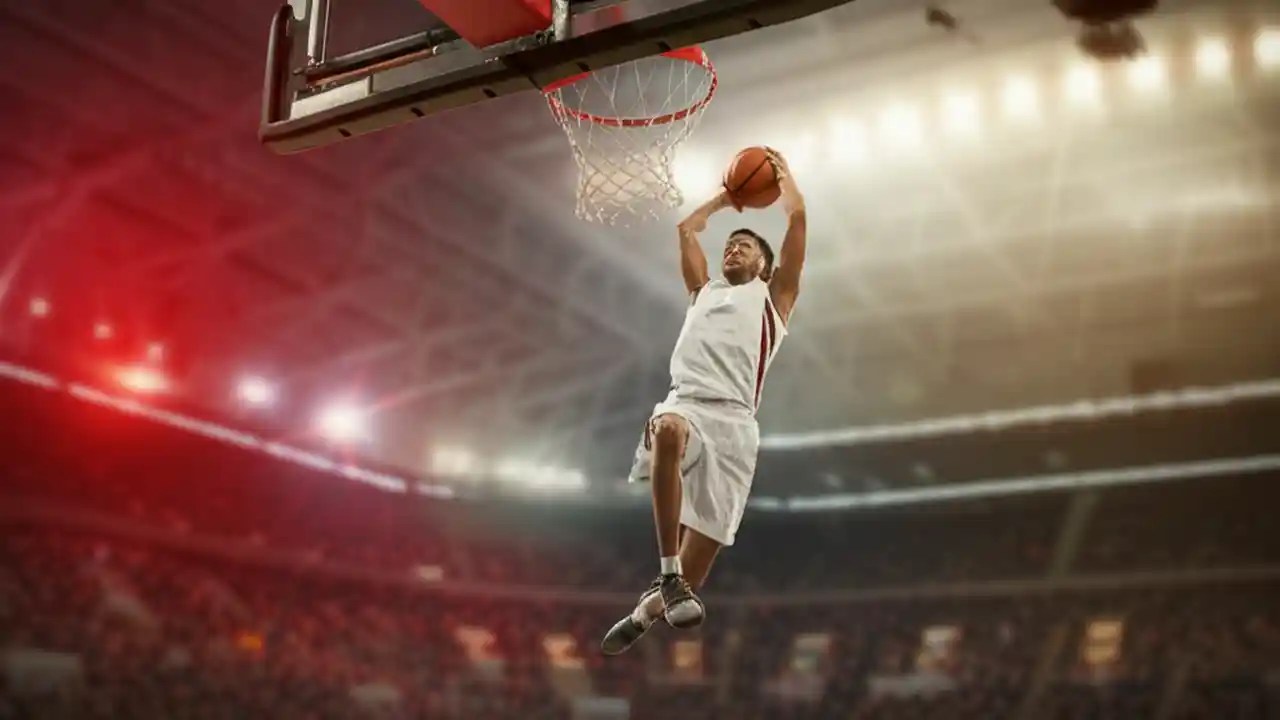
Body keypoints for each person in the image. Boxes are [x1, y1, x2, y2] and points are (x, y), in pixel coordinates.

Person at [601, 149, 806, 655]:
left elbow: (798, 219)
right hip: (686, 402)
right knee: (668, 429)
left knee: (704, 554)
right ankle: (668, 574)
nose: (733, 249)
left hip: (735, 424)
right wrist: (725, 200)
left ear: (765, 265)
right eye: (730, 245)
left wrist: (784, 178)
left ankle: (648, 608)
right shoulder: (703, 290)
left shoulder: (774, 300)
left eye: (744, 246)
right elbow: (686, 229)